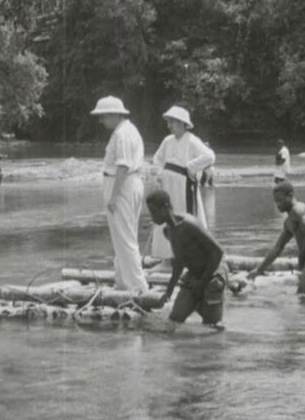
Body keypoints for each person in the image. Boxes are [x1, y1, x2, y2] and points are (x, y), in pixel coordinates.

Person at [90, 95, 149, 292]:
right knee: (123, 235)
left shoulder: (122, 134)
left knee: (125, 237)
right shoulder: (128, 130)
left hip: (121, 185)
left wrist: (113, 196)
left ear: (115, 114)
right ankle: (123, 281)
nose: (101, 121)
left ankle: (137, 286)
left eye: (104, 116)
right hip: (130, 183)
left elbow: (122, 166)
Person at [146, 189, 226, 328]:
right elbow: (179, 264)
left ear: (165, 207)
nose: (153, 217)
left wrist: (202, 283)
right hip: (195, 275)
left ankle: (205, 304)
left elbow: (217, 252)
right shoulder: (168, 232)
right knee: (174, 320)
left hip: (213, 272)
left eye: (154, 212)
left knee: (212, 327)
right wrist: (169, 292)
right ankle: (200, 304)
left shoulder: (189, 224)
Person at [246, 181, 305, 296]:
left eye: (280, 200)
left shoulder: (298, 210)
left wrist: (301, 258)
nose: (278, 205)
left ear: (290, 196)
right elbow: (277, 248)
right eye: (276, 201)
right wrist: (259, 270)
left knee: (304, 299)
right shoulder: (289, 221)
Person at [150, 105, 215, 262]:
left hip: (183, 186)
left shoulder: (192, 140)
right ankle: (167, 258)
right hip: (168, 186)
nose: (169, 125)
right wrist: (159, 174)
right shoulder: (167, 140)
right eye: (169, 122)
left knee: (183, 218)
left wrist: (191, 168)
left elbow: (209, 156)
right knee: (166, 216)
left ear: (181, 123)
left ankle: (188, 258)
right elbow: (157, 159)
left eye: (172, 121)